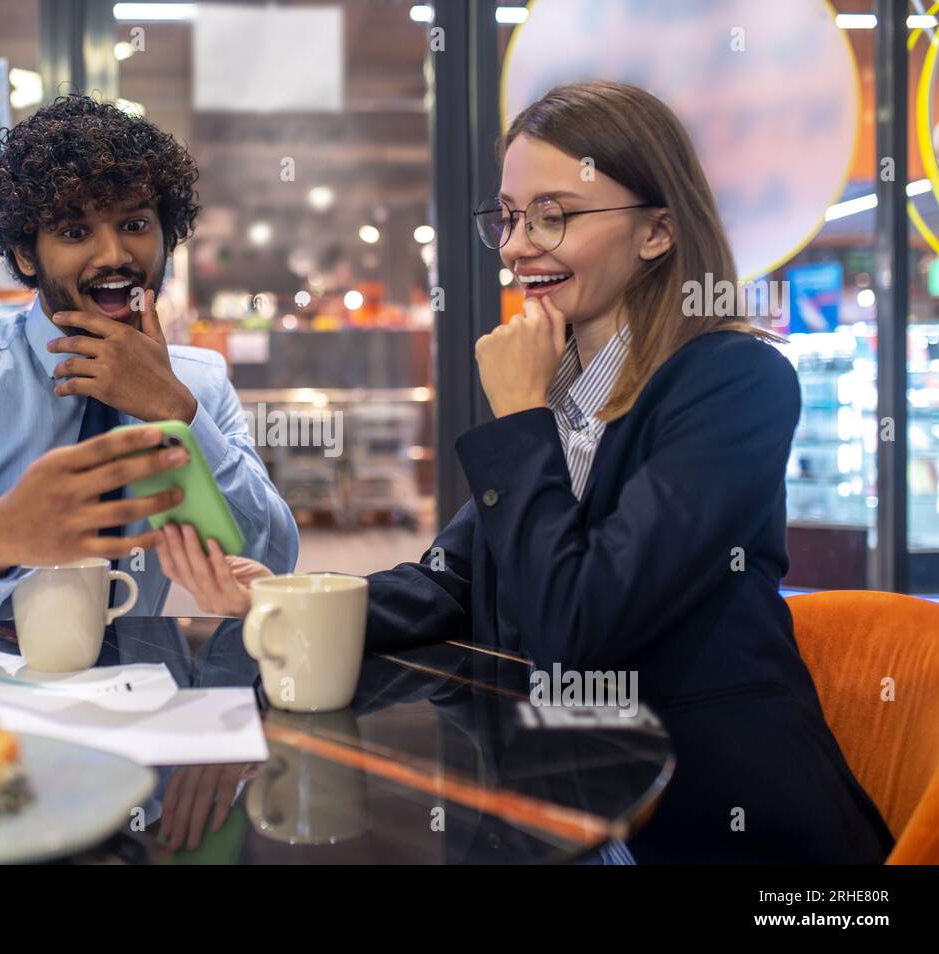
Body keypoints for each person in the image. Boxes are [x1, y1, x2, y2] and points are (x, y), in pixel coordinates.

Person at [157, 80, 894, 864]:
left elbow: (577, 629)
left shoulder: (734, 382)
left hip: (712, 820)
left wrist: (519, 421)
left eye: (553, 215)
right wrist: (280, 599)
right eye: (509, 218)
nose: (514, 246)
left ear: (657, 231)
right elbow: (453, 584)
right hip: (554, 793)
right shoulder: (565, 386)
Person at [0, 95, 299, 640]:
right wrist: (1, 535)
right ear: (26, 255)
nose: (114, 254)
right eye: (74, 232)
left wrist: (175, 413)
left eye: (135, 223)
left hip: (132, 696)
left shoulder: (197, 383)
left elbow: (274, 564)